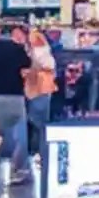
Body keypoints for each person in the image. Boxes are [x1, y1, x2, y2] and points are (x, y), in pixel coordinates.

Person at [0, 27, 32, 185]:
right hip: (14, 96)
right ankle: (18, 171)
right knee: (20, 137)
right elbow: (27, 66)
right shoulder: (18, 49)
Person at [24, 29, 57, 157]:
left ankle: (37, 152)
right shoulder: (38, 51)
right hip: (33, 90)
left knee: (38, 124)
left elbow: (46, 65)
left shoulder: (41, 52)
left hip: (40, 90)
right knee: (34, 124)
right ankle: (35, 152)